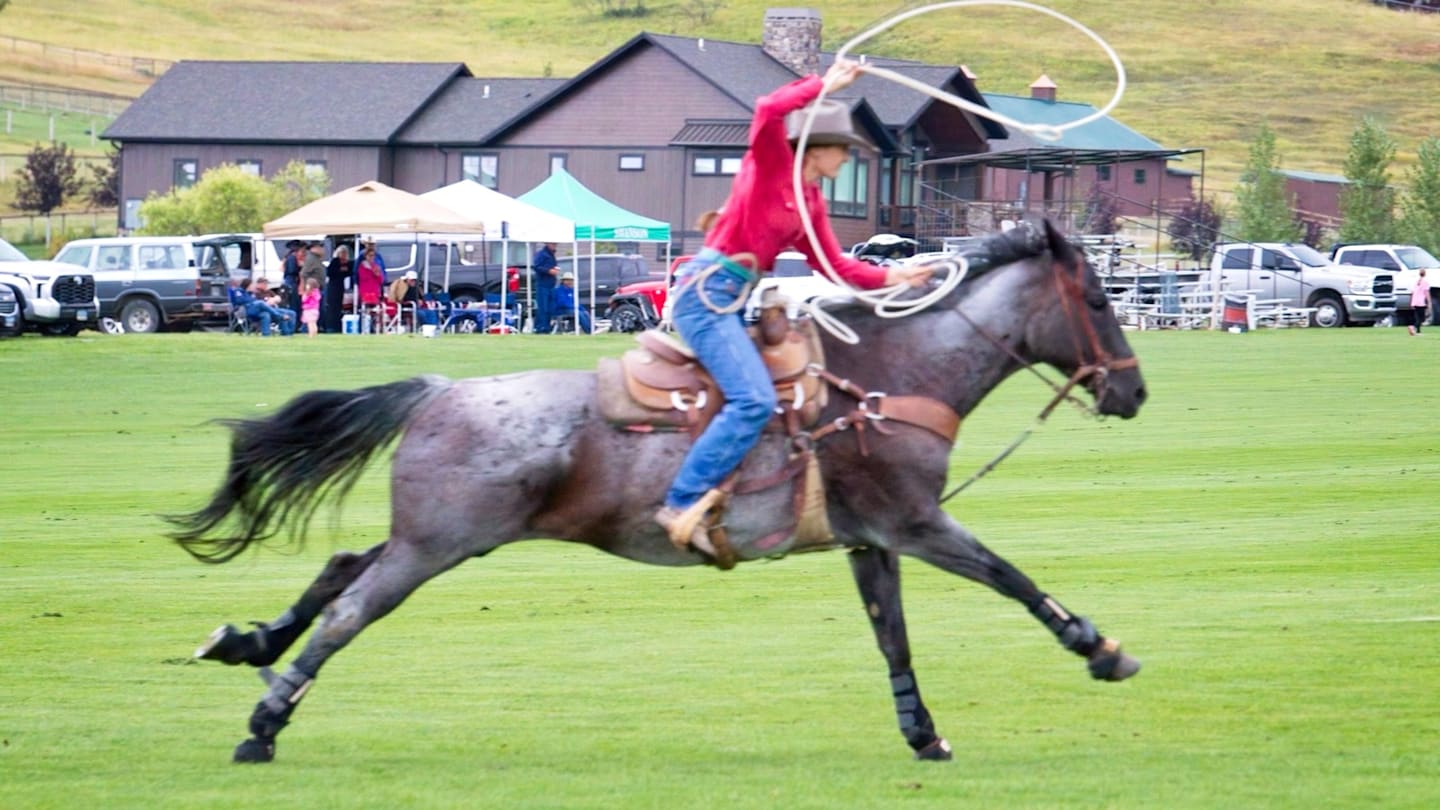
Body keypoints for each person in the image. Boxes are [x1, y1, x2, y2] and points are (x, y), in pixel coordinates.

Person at [653, 59, 934, 557]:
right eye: (843, 151)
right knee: (754, 400)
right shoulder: (768, 164)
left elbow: (836, 266)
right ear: (817, 148)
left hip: (733, 298)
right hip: (706, 295)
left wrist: (896, 275)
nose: (847, 161)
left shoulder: (811, 203)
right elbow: (767, 108)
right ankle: (680, 503)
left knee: (792, 391)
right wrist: (826, 84)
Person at [355, 240, 387, 332]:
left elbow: (380, 279)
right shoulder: (362, 265)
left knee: (376, 311)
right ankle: (363, 329)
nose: (372, 257)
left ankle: (375, 329)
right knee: (364, 309)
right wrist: (372, 272)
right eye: (370, 256)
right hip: (366, 290)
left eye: (373, 256)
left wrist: (378, 274)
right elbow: (362, 277)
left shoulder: (377, 264)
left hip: (375, 290)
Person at [531, 242, 559, 334]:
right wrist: (548, 271)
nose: (555, 246)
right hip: (543, 285)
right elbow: (536, 266)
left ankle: (547, 327)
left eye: (555, 244)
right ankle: (540, 327)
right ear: (547, 244)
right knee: (543, 307)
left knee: (550, 307)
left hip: (551, 285)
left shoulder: (551, 255)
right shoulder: (542, 254)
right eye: (553, 244)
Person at [323, 244, 352, 333]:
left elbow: (349, 271)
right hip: (333, 287)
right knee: (332, 307)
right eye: (342, 253)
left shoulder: (348, 263)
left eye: (345, 253)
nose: (343, 255)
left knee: (338, 306)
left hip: (340, 287)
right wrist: (342, 270)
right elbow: (331, 272)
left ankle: (336, 326)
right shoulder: (335, 261)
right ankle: (330, 326)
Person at [1409, 268, 1430, 335]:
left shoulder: (1416, 282)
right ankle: (1413, 327)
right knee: (1422, 318)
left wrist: (1411, 302)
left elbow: (1412, 292)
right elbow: (1426, 293)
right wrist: (1429, 302)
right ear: (1425, 274)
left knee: (1417, 316)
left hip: (1415, 301)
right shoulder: (1425, 282)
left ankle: (1418, 331)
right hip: (1421, 302)